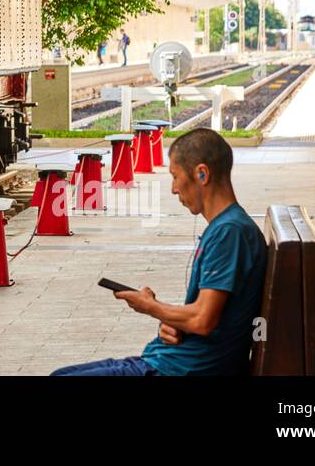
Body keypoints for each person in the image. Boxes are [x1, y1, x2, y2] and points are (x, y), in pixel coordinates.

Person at [52, 128, 266, 375]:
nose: (174, 189)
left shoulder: (230, 233)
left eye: (175, 177)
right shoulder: (228, 227)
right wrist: (175, 324)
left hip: (184, 369)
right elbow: (203, 319)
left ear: (202, 173)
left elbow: (203, 320)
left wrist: (150, 306)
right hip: (175, 358)